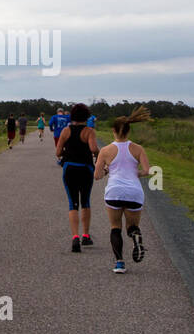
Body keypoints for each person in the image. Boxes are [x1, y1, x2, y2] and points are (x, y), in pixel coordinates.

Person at [92, 106, 153, 273]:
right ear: (128, 130)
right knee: (131, 226)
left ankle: (119, 262)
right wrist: (135, 173)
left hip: (114, 191)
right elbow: (148, 171)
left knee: (115, 227)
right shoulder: (138, 148)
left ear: (113, 130)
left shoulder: (105, 150)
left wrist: (106, 170)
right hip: (134, 192)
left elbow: (97, 176)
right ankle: (135, 236)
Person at [55, 102, 99, 252]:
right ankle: (86, 235)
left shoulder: (66, 131)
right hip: (85, 169)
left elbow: (58, 152)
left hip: (69, 169)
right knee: (85, 201)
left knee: (72, 203)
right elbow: (93, 149)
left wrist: (67, 152)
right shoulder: (89, 131)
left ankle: (75, 237)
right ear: (86, 116)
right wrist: (98, 156)